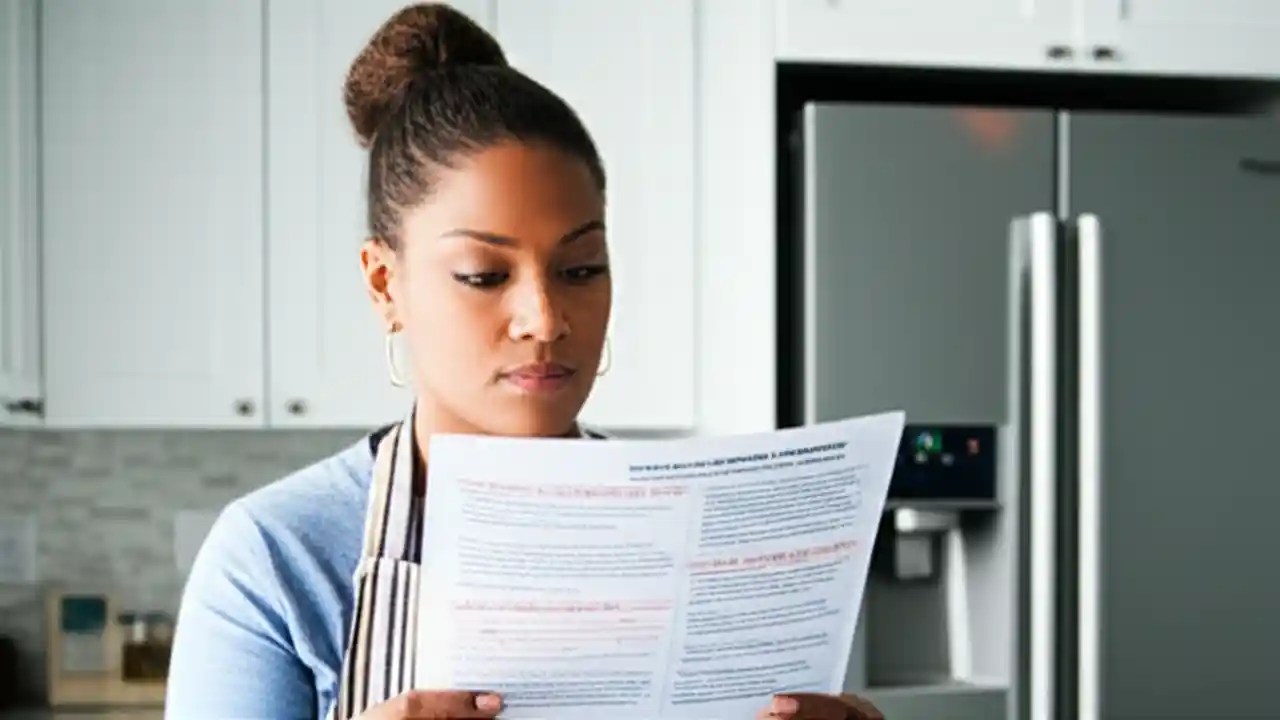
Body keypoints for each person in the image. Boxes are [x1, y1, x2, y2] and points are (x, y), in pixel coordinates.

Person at [164, 4, 884, 719]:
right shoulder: (275, 559)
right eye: (484, 274)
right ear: (386, 284)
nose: (546, 319)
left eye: (579, 269)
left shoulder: (698, 546)